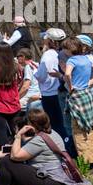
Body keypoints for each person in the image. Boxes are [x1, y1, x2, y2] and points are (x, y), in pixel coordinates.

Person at [35, 28, 75, 157]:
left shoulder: (47, 55)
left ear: (51, 41)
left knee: (56, 124)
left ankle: (62, 150)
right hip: (61, 91)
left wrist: (35, 72)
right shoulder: (64, 53)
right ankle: (68, 148)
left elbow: (40, 75)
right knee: (64, 122)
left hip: (49, 93)